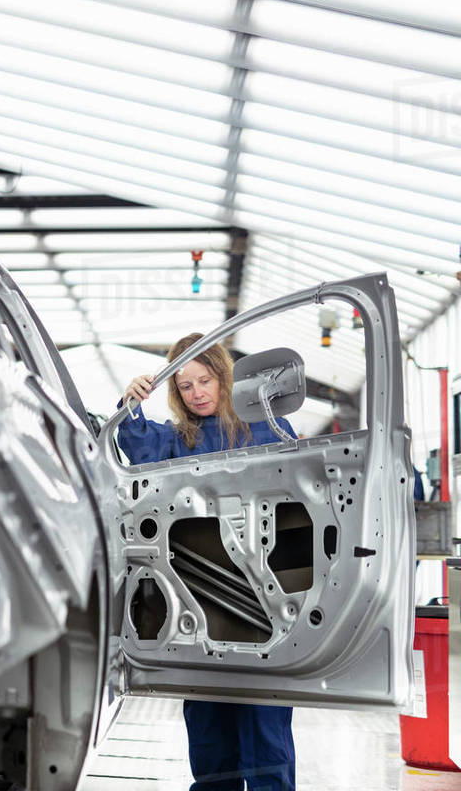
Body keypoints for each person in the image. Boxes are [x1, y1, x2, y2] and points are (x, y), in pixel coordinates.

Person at [118, 333, 296, 791]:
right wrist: (132, 402)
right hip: (199, 602)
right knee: (208, 726)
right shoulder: (179, 438)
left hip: (265, 602)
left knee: (265, 726)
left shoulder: (267, 428)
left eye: (205, 380)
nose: (196, 393)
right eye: (184, 386)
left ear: (225, 377)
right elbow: (138, 445)